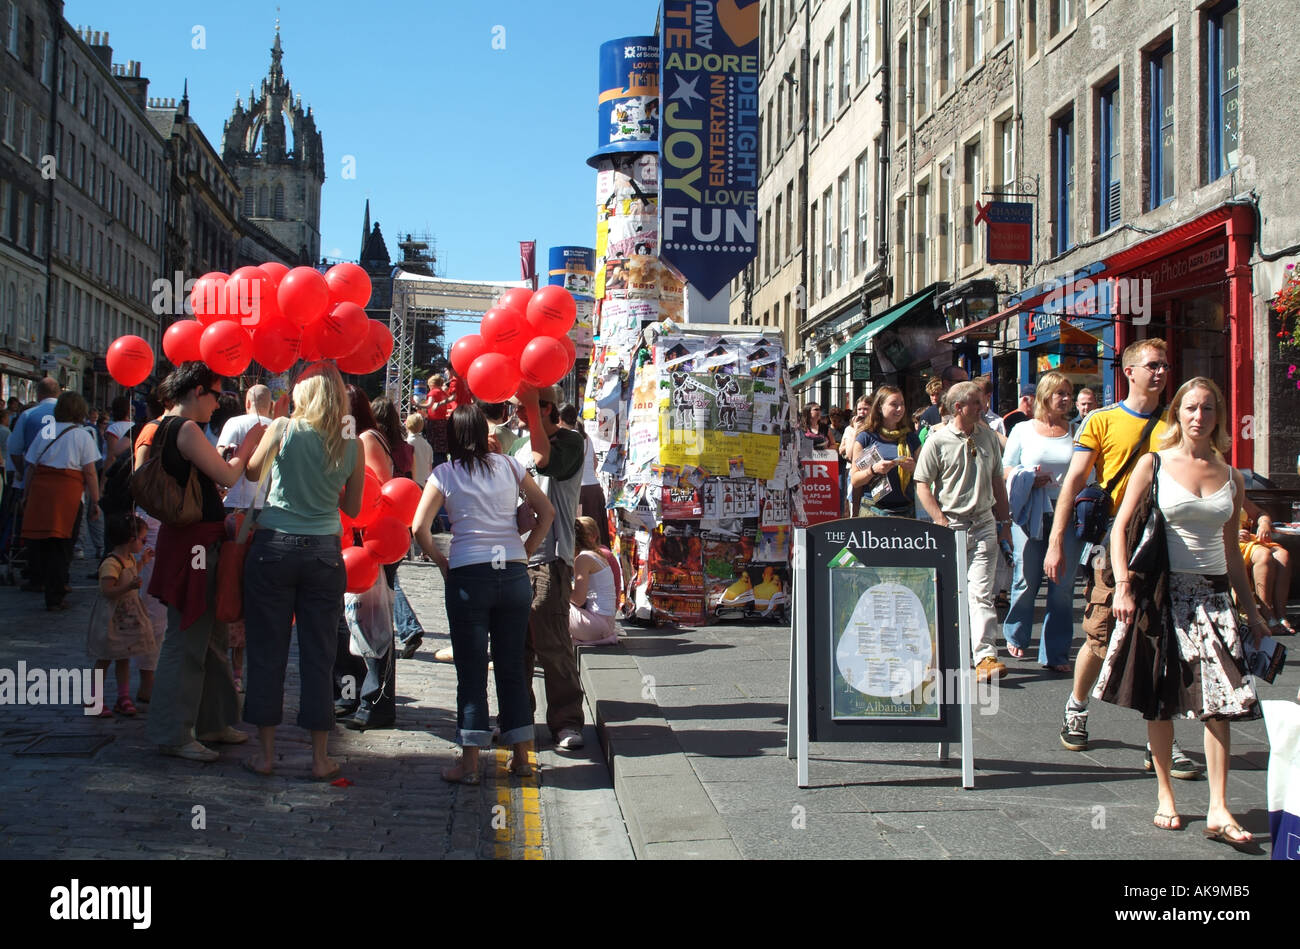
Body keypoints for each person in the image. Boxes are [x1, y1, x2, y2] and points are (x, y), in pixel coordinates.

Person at [1095, 377, 1262, 843]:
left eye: (1208, 409)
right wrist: (1124, 587)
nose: (1198, 416)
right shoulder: (1155, 464)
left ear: (1218, 418)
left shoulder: (1232, 476)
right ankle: (1166, 793)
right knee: (1161, 697)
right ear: (1177, 415)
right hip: (1163, 594)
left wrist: (1254, 614)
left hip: (1213, 597)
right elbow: (1119, 528)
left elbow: (1232, 555)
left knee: (1223, 704)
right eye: (1190, 408)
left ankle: (1219, 807)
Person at [1043, 339, 1202, 777]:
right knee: (1099, 631)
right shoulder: (1102, 420)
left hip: (1167, 543)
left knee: (1164, 637)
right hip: (1116, 540)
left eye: (1166, 365)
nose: (1161, 372)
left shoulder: (1177, 422)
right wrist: (1057, 541)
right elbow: (1074, 483)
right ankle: (1076, 706)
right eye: (1152, 365)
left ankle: (1161, 741)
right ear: (1129, 371)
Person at [413, 403, 554, 784]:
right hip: (511, 575)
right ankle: (522, 758)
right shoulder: (510, 466)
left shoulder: (445, 474)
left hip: (468, 576)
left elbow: (419, 529)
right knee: (512, 668)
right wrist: (524, 552)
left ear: (454, 438)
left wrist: (442, 562)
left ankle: (471, 763)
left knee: (471, 671)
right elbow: (547, 512)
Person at [242, 362, 364, 780]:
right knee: (319, 655)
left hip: (273, 545)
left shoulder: (283, 429)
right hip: (324, 553)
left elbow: (252, 471)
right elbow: (352, 508)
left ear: (302, 395)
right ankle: (319, 758)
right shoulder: (351, 441)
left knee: (266, 652)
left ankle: (266, 754)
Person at [139, 363, 263, 762]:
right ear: (195, 391)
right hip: (194, 545)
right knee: (189, 636)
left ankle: (211, 721)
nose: (218, 404)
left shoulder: (157, 426)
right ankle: (176, 732)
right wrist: (248, 447)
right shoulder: (185, 428)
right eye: (215, 395)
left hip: (190, 542)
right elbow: (228, 477)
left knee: (210, 638)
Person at [913, 381, 1013, 682]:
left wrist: (1004, 522)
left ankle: (985, 657)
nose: (983, 408)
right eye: (976, 403)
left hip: (983, 522)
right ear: (959, 407)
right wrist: (940, 520)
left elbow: (998, 481)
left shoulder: (988, 438)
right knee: (945, 592)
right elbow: (922, 484)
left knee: (981, 592)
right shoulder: (938, 440)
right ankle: (938, 655)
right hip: (951, 524)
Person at [515, 384, 588, 751]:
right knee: (516, 645)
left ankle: (567, 720)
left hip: (551, 556)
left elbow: (547, 462)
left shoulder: (572, 442)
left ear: (544, 408)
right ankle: (518, 719)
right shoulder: (520, 445)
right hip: (516, 557)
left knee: (552, 642)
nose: (516, 414)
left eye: (523, 408)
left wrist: (530, 406)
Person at [1001, 371, 1081, 671]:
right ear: (1045, 397)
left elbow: (1087, 472)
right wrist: (1029, 478)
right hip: (1031, 513)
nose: (1065, 399)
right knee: (1027, 579)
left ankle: (1056, 653)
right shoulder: (1023, 430)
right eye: (1059, 393)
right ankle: (1017, 634)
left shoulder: (1076, 430)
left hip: (1067, 514)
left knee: (1062, 585)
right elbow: (1006, 470)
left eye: (1068, 393)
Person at [333, 389, 401, 729]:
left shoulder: (367, 439)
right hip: (354, 545)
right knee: (352, 624)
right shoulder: (353, 439)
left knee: (371, 626)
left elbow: (378, 494)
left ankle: (375, 703)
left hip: (369, 546)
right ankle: (352, 696)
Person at [216, 384, 274, 692]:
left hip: (233, 507)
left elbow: (222, 460)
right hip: (264, 511)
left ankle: (222, 663)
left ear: (247, 401)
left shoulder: (234, 424)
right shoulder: (278, 427)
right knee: (252, 588)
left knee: (225, 581)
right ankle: (240, 670)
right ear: (270, 404)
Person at [21, 392, 100, 610]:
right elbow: (90, 472)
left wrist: (26, 494)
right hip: (68, 494)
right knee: (63, 545)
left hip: (41, 491)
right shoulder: (82, 435)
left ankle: (46, 582)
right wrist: (96, 500)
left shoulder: (46, 431)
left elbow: (31, 466)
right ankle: (56, 592)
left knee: (43, 541)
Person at [87, 513, 156, 718]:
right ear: (130, 539)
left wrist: (142, 563)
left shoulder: (129, 559)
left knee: (124, 657)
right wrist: (129, 586)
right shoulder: (111, 563)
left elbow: (132, 573)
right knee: (105, 658)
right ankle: (94, 699)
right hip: (112, 618)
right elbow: (107, 591)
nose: (144, 543)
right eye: (143, 540)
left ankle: (123, 697)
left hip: (126, 619)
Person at [849, 386, 920, 518]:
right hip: (873, 510)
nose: (900, 409)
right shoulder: (865, 437)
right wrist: (873, 470)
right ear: (880, 407)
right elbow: (855, 480)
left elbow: (926, 475)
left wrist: (914, 468)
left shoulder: (911, 437)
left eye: (902, 404)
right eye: (894, 404)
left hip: (906, 511)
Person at [1237, 497, 1296, 636]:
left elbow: (1260, 513)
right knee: (1264, 555)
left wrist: (1264, 524)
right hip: (1229, 542)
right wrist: (1232, 533)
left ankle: (1280, 615)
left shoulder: (1233, 487)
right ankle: (1267, 613)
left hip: (1248, 540)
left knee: (1283, 555)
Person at [562, 403, 611, 549]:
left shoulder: (569, 438)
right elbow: (595, 463)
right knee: (595, 534)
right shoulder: (586, 437)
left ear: (560, 419)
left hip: (580, 492)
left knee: (582, 536)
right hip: (594, 489)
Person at [569, 515, 619, 646]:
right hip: (606, 624)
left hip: (595, 625)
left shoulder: (583, 559)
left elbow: (578, 599)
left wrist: (561, 590)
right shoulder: (598, 555)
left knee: (551, 604)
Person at [405, 412, 433, 488]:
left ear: (407, 425)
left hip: (411, 483)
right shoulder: (428, 445)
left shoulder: (407, 444)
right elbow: (430, 468)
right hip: (425, 483)